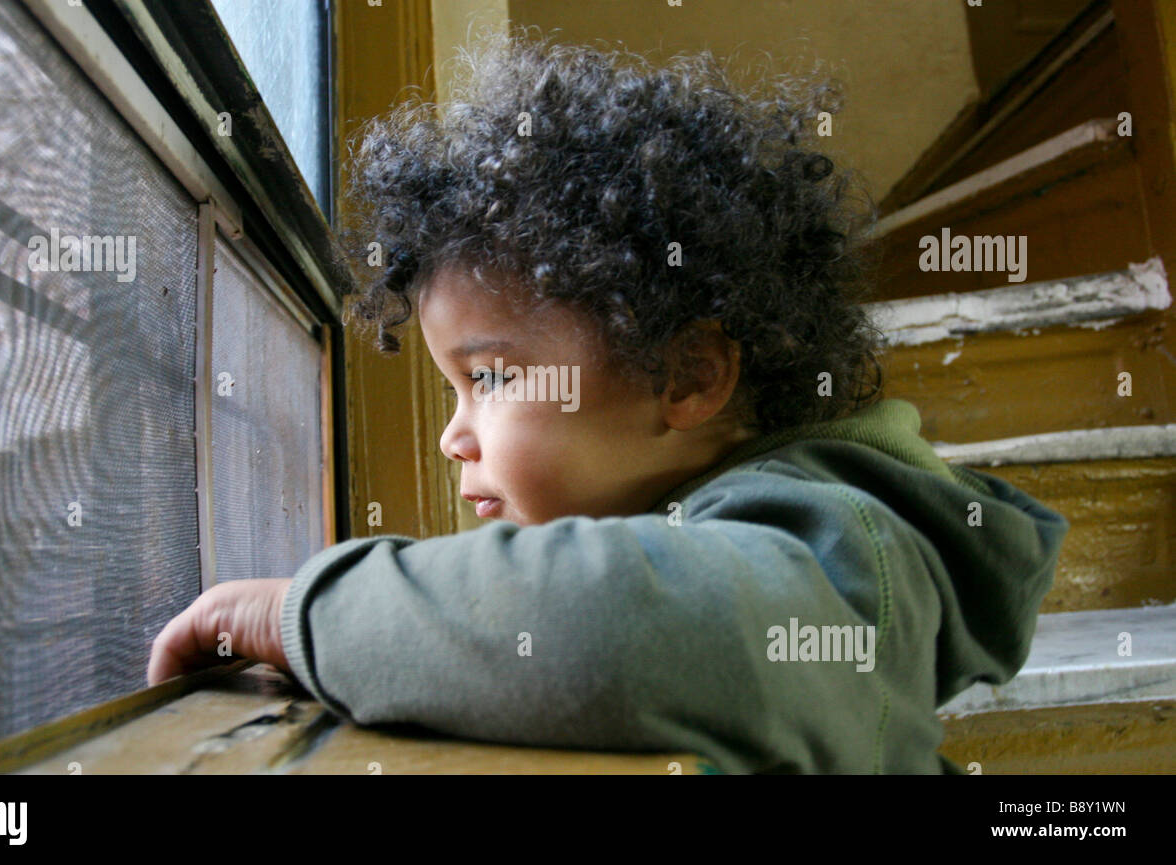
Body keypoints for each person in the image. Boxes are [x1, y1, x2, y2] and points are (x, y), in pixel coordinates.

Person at [147, 28, 1069, 773]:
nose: (451, 435)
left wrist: (302, 613)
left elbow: (633, 631)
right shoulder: (772, 532)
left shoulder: (845, 547)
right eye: (452, 387)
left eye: (493, 377)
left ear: (689, 377)